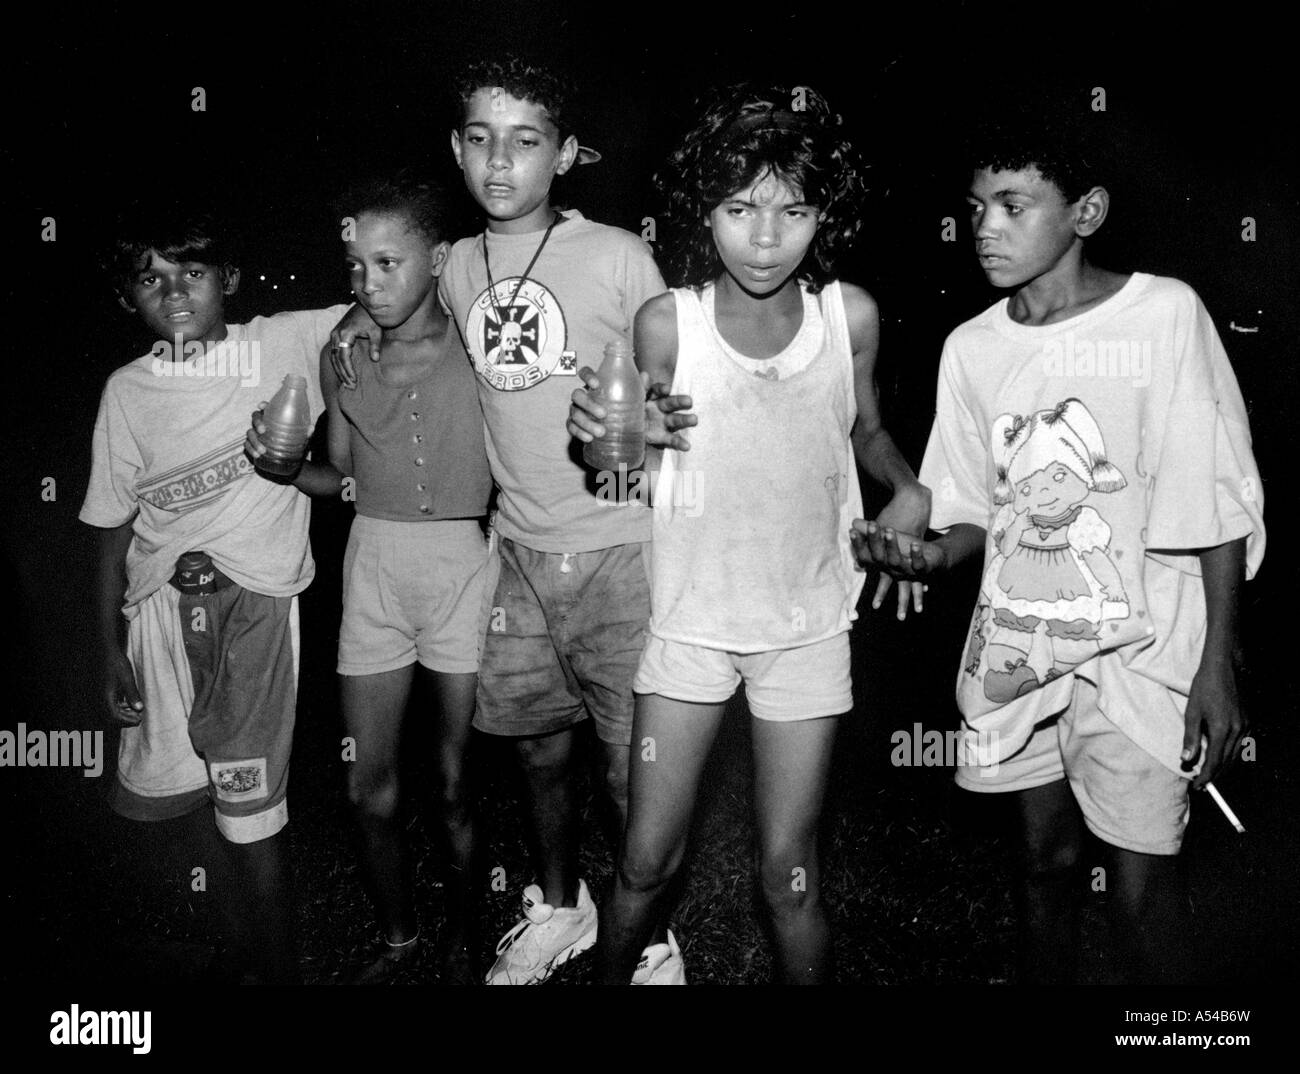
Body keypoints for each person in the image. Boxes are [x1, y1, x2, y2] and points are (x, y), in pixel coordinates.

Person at [853, 108, 1265, 983]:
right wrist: (926, 557)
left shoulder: (1164, 315)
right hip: (1023, 650)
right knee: (1041, 867)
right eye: (975, 208)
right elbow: (971, 513)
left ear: (1087, 212)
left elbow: (1215, 499)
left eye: (1013, 205)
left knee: (1140, 892)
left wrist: (1217, 666)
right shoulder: (972, 348)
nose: (985, 229)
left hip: (1146, 654)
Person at [332, 56, 693, 984]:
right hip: (518, 554)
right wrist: (345, 330)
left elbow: (685, 398)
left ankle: (649, 934)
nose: (502, 162)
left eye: (527, 142)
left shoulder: (618, 255)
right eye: (482, 139)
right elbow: (387, 307)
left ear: (565, 154)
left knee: (626, 767)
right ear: (457, 149)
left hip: (620, 547)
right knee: (537, 752)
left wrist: (653, 428)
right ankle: (563, 908)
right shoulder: (451, 266)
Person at [569, 83, 930, 984]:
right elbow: (628, 463)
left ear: (822, 216)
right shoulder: (669, 323)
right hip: (691, 622)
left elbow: (867, 430)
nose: (764, 238)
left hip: (805, 627)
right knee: (645, 861)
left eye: (792, 210)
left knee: (789, 877)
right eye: (740, 209)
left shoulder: (847, 317)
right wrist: (613, 439)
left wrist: (909, 488)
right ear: (707, 210)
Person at [83, 203, 350, 983]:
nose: (173, 293)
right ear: (128, 297)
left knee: (250, 809)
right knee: (186, 792)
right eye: (150, 279)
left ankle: (277, 970)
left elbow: (385, 300)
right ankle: (238, 948)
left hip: (254, 606)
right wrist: (110, 646)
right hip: (159, 612)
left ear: (228, 280)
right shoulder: (126, 394)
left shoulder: (281, 340)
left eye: (192, 273)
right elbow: (109, 523)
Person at [255, 173, 493, 983]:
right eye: (357, 267)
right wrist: (285, 469)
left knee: (458, 784)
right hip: (374, 574)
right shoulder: (343, 356)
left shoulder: (477, 338)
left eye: (390, 263)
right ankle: (399, 938)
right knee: (367, 786)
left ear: (438, 258)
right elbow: (342, 477)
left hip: (464, 566)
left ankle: (466, 942)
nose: (370, 284)